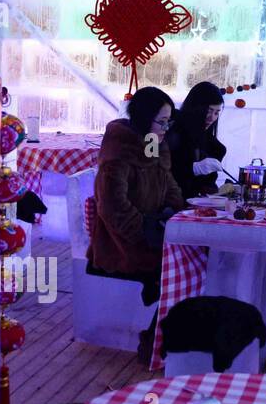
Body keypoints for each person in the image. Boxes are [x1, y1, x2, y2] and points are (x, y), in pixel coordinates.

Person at [87, 87, 186, 361]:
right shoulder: (118, 155)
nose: (166, 128)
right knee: (182, 265)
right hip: (121, 243)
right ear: (144, 119)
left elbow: (169, 186)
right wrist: (147, 232)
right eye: (162, 122)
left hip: (152, 230)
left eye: (169, 122)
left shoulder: (153, 144)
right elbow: (112, 209)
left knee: (196, 258)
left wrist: (176, 212)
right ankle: (154, 340)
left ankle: (169, 338)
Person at [166, 82, 228, 199]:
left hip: (200, 201)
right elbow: (164, 172)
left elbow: (208, 183)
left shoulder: (209, 139)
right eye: (209, 110)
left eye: (216, 112)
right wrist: (193, 168)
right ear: (196, 107)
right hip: (177, 201)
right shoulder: (174, 131)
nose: (212, 118)